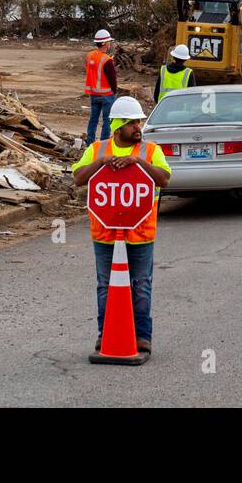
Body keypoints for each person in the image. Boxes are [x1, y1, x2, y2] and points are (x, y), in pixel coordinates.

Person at [71, 96, 172, 355]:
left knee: (141, 284)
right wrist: (101, 163)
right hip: (105, 234)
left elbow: (164, 180)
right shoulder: (97, 149)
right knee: (105, 286)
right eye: (132, 123)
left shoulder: (151, 151)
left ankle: (141, 336)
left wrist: (139, 163)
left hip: (141, 233)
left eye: (139, 122)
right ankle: (105, 334)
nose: (138, 127)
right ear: (118, 126)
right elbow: (78, 178)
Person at [83, 29, 117, 144]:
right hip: (107, 94)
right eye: (108, 42)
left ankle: (90, 142)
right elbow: (112, 79)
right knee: (107, 120)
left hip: (93, 94)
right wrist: (114, 91)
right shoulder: (107, 60)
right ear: (104, 44)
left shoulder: (90, 56)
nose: (110, 44)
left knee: (93, 119)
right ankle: (103, 144)